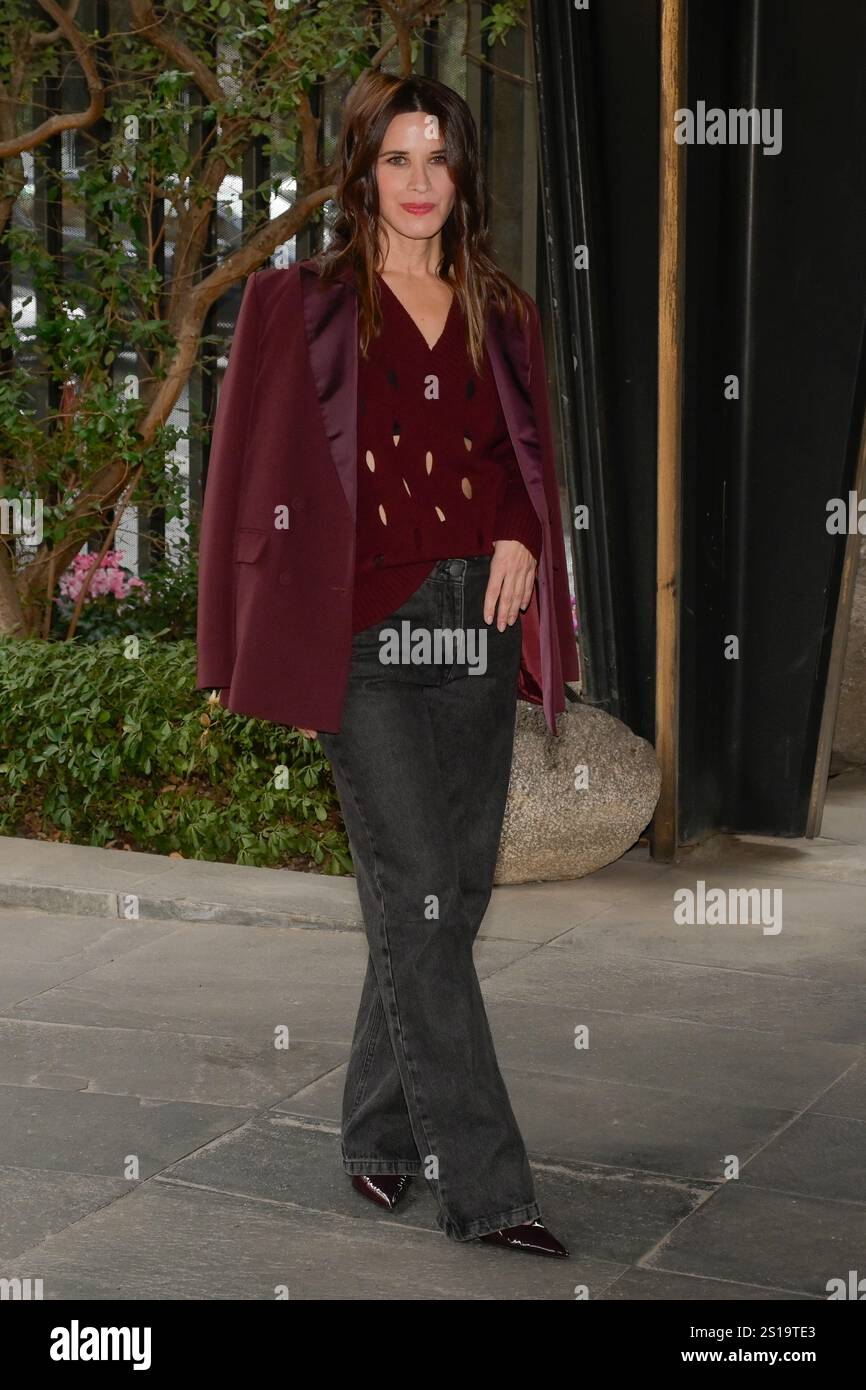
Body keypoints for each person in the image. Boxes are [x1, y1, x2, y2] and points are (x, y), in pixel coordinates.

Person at [196, 70, 580, 1257]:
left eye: (438, 161)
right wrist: (238, 621)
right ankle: (489, 1185)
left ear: (462, 177)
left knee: (440, 902)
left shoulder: (499, 307)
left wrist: (519, 526)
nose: (418, 184)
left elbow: (517, 452)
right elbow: (245, 475)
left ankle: (374, 1135)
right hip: (357, 633)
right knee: (418, 894)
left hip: (476, 621)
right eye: (396, 160)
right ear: (363, 170)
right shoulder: (296, 304)